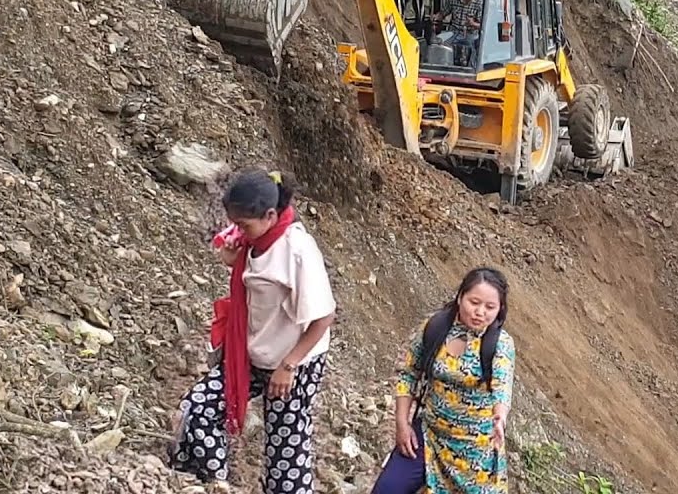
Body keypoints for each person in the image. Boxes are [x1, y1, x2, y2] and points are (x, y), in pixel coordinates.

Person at [167, 169, 337, 493]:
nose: (239, 231)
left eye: (244, 225)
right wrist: (233, 249)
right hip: (253, 352)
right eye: (237, 223)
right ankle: (215, 484)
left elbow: (323, 317)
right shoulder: (252, 240)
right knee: (198, 408)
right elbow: (242, 262)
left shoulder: (297, 250)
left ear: (271, 215)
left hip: (293, 362)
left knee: (284, 455)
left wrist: (288, 366)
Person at [370, 267, 516, 494]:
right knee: (387, 489)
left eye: (490, 307)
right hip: (429, 435)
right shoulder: (435, 327)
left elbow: (502, 384)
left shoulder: (499, 343)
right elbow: (409, 372)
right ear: (460, 297)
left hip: (475, 451)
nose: (480, 312)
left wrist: (500, 416)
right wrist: (402, 423)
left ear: (499, 310)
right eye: (474, 302)